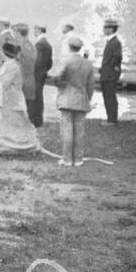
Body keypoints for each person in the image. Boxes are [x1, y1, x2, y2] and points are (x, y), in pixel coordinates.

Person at [0, 41, 41, 156]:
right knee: (1, 122)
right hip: (4, 99)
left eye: (0, 50)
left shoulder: (12, 65)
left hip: (11, 100)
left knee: (15, 122)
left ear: (4, 52)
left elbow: (5, 83)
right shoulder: (7, 64)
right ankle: (1, 147)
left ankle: (23, 147)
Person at [49, 35, 94, 166]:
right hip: (81, 98)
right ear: (80, 48)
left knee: (66, 130)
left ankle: (67, 159)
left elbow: (57, 77)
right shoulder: (88, 63)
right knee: (79, 131)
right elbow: (90, 85)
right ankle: (78, 159)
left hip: (67, 98)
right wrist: (88, 98)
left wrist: (59, 85)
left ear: (69, 47)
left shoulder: (66, 61)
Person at [13, 23, 37, 126]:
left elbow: (16, 61)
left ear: (19, 33)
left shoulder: (19, 45)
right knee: (28, 105)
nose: (14, 34)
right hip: (30, 78)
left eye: (15, 32)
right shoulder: (31, 45)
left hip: (21, 79)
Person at [98, 18, 122, 124]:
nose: (103, 29)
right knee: (107, 96)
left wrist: (109, 68)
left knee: (110, 96)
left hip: (109, 74)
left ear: (111, 29)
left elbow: (117, 57)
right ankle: (111, 119)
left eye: (105, 27)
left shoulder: (115, 42)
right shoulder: (111, 41)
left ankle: (112, 120)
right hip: (107, 73)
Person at [31, 24, 53, 127]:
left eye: (35, 30)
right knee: (39, 97)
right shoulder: (47, 44)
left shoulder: (40, 44)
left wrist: (32, 70)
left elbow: (37, 62)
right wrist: (44, 70)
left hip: (36, 74)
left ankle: (36, 121)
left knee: (36, 97)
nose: (34, 32)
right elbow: (49, 63)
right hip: (42, 73)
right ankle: (38, 121)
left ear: (39, 30)